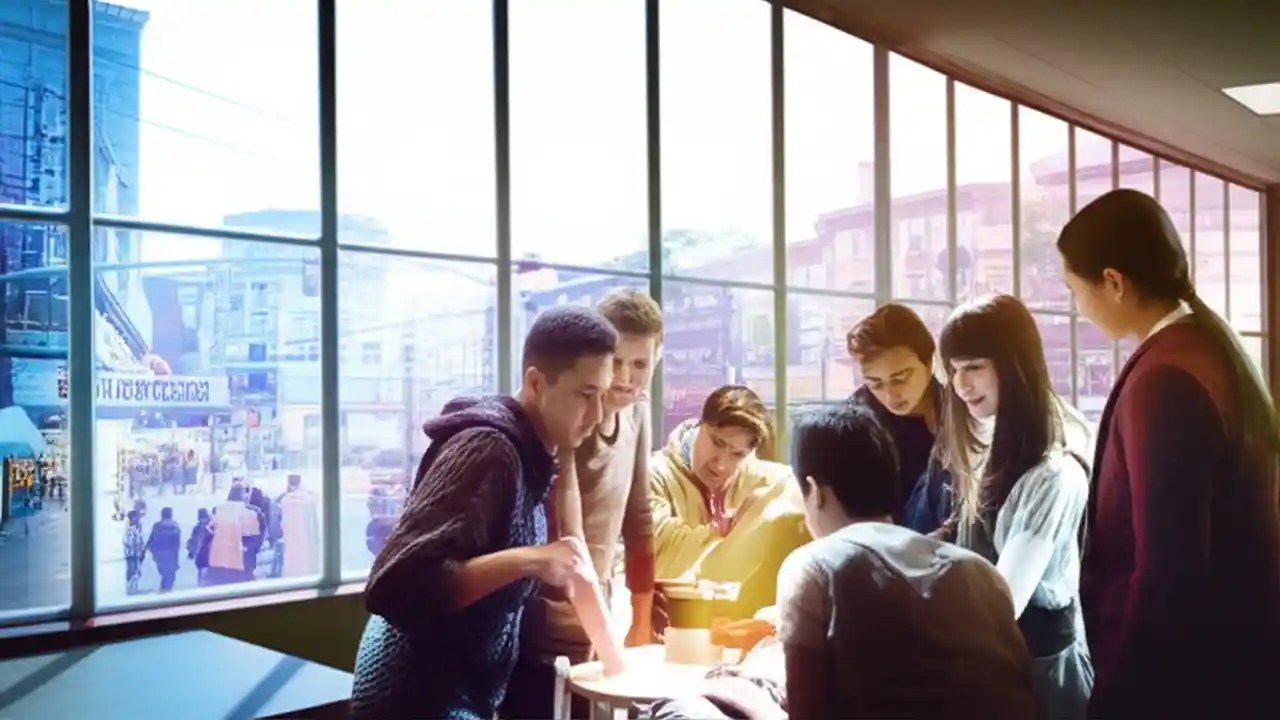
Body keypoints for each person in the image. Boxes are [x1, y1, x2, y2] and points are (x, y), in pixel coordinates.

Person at [649, 403, 1036, 720]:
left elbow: (807, 711)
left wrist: (738, 695)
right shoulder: (980, 573)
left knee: (681, 707)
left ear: (814, 492)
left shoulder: (814, 566)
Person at [1057, 189, 1280, 719]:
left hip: (1191, 682)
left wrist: (1119, 697)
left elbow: (1167, 573)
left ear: (1113, 281)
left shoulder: (1166, 377)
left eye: (1074, 290)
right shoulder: (1206, 345)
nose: (1077, 306)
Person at [350, 306, 620, 720]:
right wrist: (529, 560)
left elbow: (570, 554)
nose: (599, 415)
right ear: (535, 382)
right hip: (416, 698)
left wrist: (617, 663)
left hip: (460, 696)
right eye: (586, 395)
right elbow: (396, 585)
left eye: (605, 395)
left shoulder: (535, 453)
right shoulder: (489, 450)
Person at [933, 294, 1094, 719]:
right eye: (953, 369)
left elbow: (1003, 602)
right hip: (996, 663)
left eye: (974, 367)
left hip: (1041, 674)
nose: (959, 384)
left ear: (1014, 365)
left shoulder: (1055, 472)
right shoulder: (993, 444)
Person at [503, 289, 662, 718]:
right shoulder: (573, 415)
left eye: (641, 364)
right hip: (550, 610)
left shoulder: (637, 413)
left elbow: (639, 515)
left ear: (657, 359)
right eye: (618, 363)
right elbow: (565, 522)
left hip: (600, 605)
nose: (627, 378)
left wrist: (642, 618)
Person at [649, 385, 808, 625]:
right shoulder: (653, 475)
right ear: (700, 424)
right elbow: (659, 553)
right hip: (670, 620)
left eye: (737, 454)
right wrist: (737, 529)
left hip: (737, 621)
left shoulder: (766, 481)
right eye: (717, 443)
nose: (721, 464)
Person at [846, 303, 952, 532]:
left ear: (928, 362)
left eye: (900, 378)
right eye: (875, 383)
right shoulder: (858, 424)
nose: (890, 394)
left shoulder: (960, 407)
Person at [146, 506, 182, 593]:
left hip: (159, 554)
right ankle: (165, 591)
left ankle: (164, 590)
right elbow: (177, 543)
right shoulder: (175, 526)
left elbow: (151, 540)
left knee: (164, 573)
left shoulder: (157, 526)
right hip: (170, 554)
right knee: (170, 575)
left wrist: (151, 552)